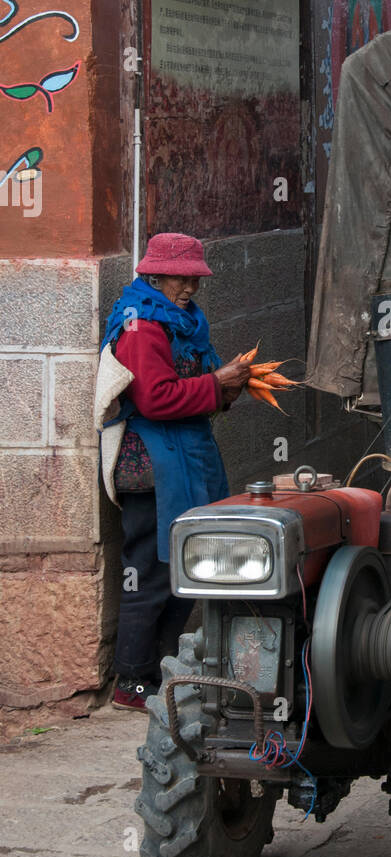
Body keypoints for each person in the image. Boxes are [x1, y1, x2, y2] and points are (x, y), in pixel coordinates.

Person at [96, 233, 251, 710]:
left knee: (188, 568)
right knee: (152, 573)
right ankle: (132, 681)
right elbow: (156, 398)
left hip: (188, 455)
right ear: (155, 275)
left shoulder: (186, 322)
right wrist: (215, 384)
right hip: (152, 466)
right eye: (181, 278)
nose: (189, 287)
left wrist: (229, 389)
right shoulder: (142, 326)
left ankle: (167, 669)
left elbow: (198, 385)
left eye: (194, 279)